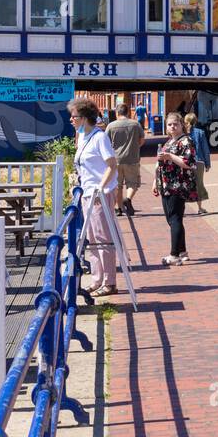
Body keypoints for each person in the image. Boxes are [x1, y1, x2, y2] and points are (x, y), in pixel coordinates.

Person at [69, 98, 121, 297]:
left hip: (100, 195)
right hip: (87, 193)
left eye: (74, 117)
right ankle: (97, 279)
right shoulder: (83, 137)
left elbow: (111, 165)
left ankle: (110, 282)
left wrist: (101, 187)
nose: (71, 120)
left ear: (84, 118)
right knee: (91, 238)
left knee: (103, 238)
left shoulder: (99, 137)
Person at [152, 112, 196, 266]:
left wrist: (170, 157)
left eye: (175, 124)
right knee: (173, 219)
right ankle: (182, 251)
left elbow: (188, 163)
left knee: (174, 218)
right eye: (169, 124)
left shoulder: (186, 141)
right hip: (166, 184)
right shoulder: (169, 141)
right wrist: (155, 181)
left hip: (178, 184)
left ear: (181, 125)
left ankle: (174, 254)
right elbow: (160, 161)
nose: (172, 127)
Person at [105, 104, 145, 217]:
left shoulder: (111, 126)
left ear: (117, 113)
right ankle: (128, 199)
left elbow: (106, 142)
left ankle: (118, 208)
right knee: (133, 183)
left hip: (115, 159)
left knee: (117, 185)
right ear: (128, 112)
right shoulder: (136, 124)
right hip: (132, 158)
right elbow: (142, 140)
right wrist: (135, 147)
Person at [184, 112, 211, 215]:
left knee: (185, 184)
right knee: (198, 184)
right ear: (195, 122)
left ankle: (182, 208)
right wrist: (208, 164)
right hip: (199, 161)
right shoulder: (200, 132)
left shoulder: (183, 133)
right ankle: (199, 208)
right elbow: (205, 149)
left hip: (185, 161)